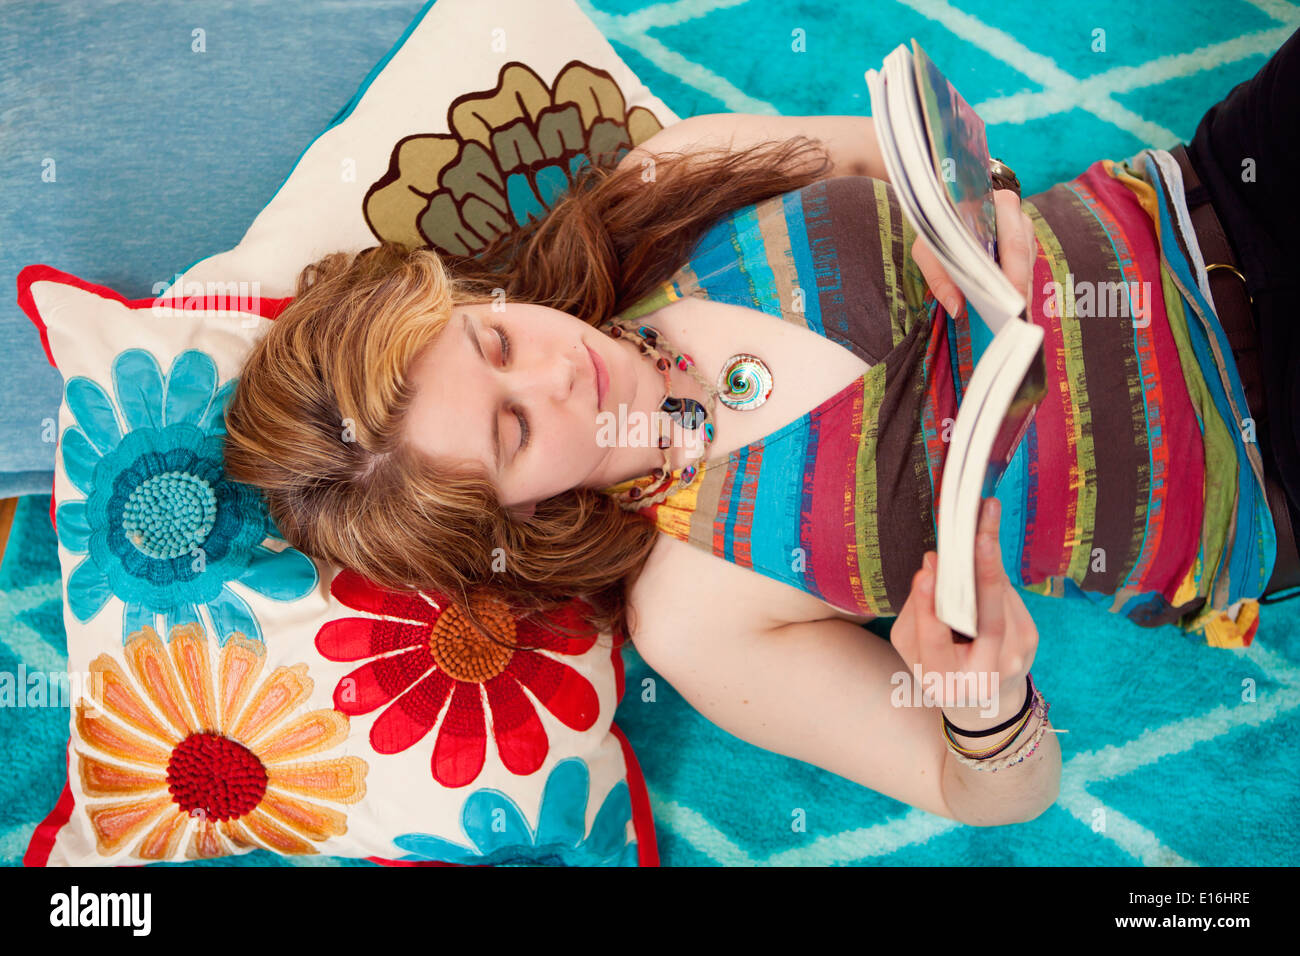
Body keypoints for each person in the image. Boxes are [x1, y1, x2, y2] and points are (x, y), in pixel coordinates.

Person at [221, 31, 1299, 826]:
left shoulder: (661, 184)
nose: (558, 367)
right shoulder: (693, 613)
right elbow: (984, 790)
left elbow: (907, 143)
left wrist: (992, 204)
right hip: (1268, 470)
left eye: (494, 340)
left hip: (1208, 194)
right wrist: (986, 702)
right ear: (514, 513)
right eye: (511, 430)